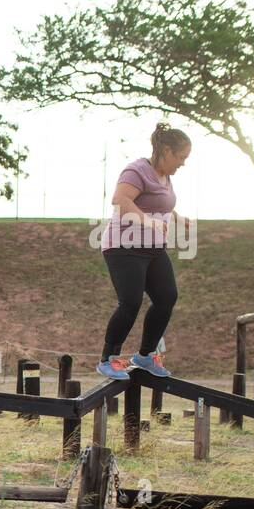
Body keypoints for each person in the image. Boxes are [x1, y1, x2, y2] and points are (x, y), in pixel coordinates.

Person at [96, 123, 191, 380]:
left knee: (167, 296)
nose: (182, 164)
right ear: (166, 151)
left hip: (152, 249)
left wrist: (178, 218)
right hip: (123, 247)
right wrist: (149, 222)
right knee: (131, 302)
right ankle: (108, 359)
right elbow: (121, 201)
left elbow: (159, 204)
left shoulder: (165, 177)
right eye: (181, 157)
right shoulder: (137, 170)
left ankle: (146, 356)